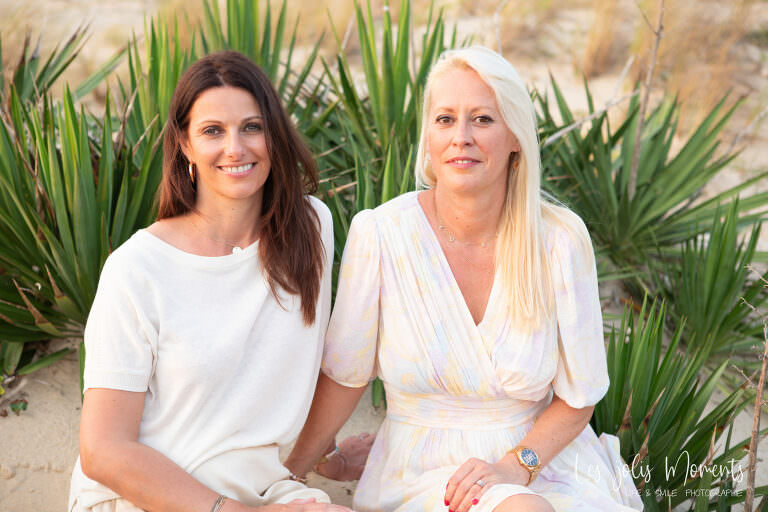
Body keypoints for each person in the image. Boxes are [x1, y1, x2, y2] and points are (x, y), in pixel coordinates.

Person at [285, 46, 644, 512]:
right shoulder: (382, 234)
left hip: (544, 464)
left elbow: (578, 399)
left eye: (482, 119)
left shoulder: (559, 239)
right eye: (445, 119)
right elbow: (344, 378)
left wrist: (518, 466)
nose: (461, 137)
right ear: (428, 139)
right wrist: (291, 475)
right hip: (423, 472)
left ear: (515, 135)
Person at [68, 50, 351, 512]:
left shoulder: (310, 228)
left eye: (252, 127)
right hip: (147, 498)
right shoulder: (138, 269)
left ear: (274, 134)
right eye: (212, 131)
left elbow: (278, 370)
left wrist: (327, 458)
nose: (235, 149)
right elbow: (103, 450)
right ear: (184, 144)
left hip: (263, 492)